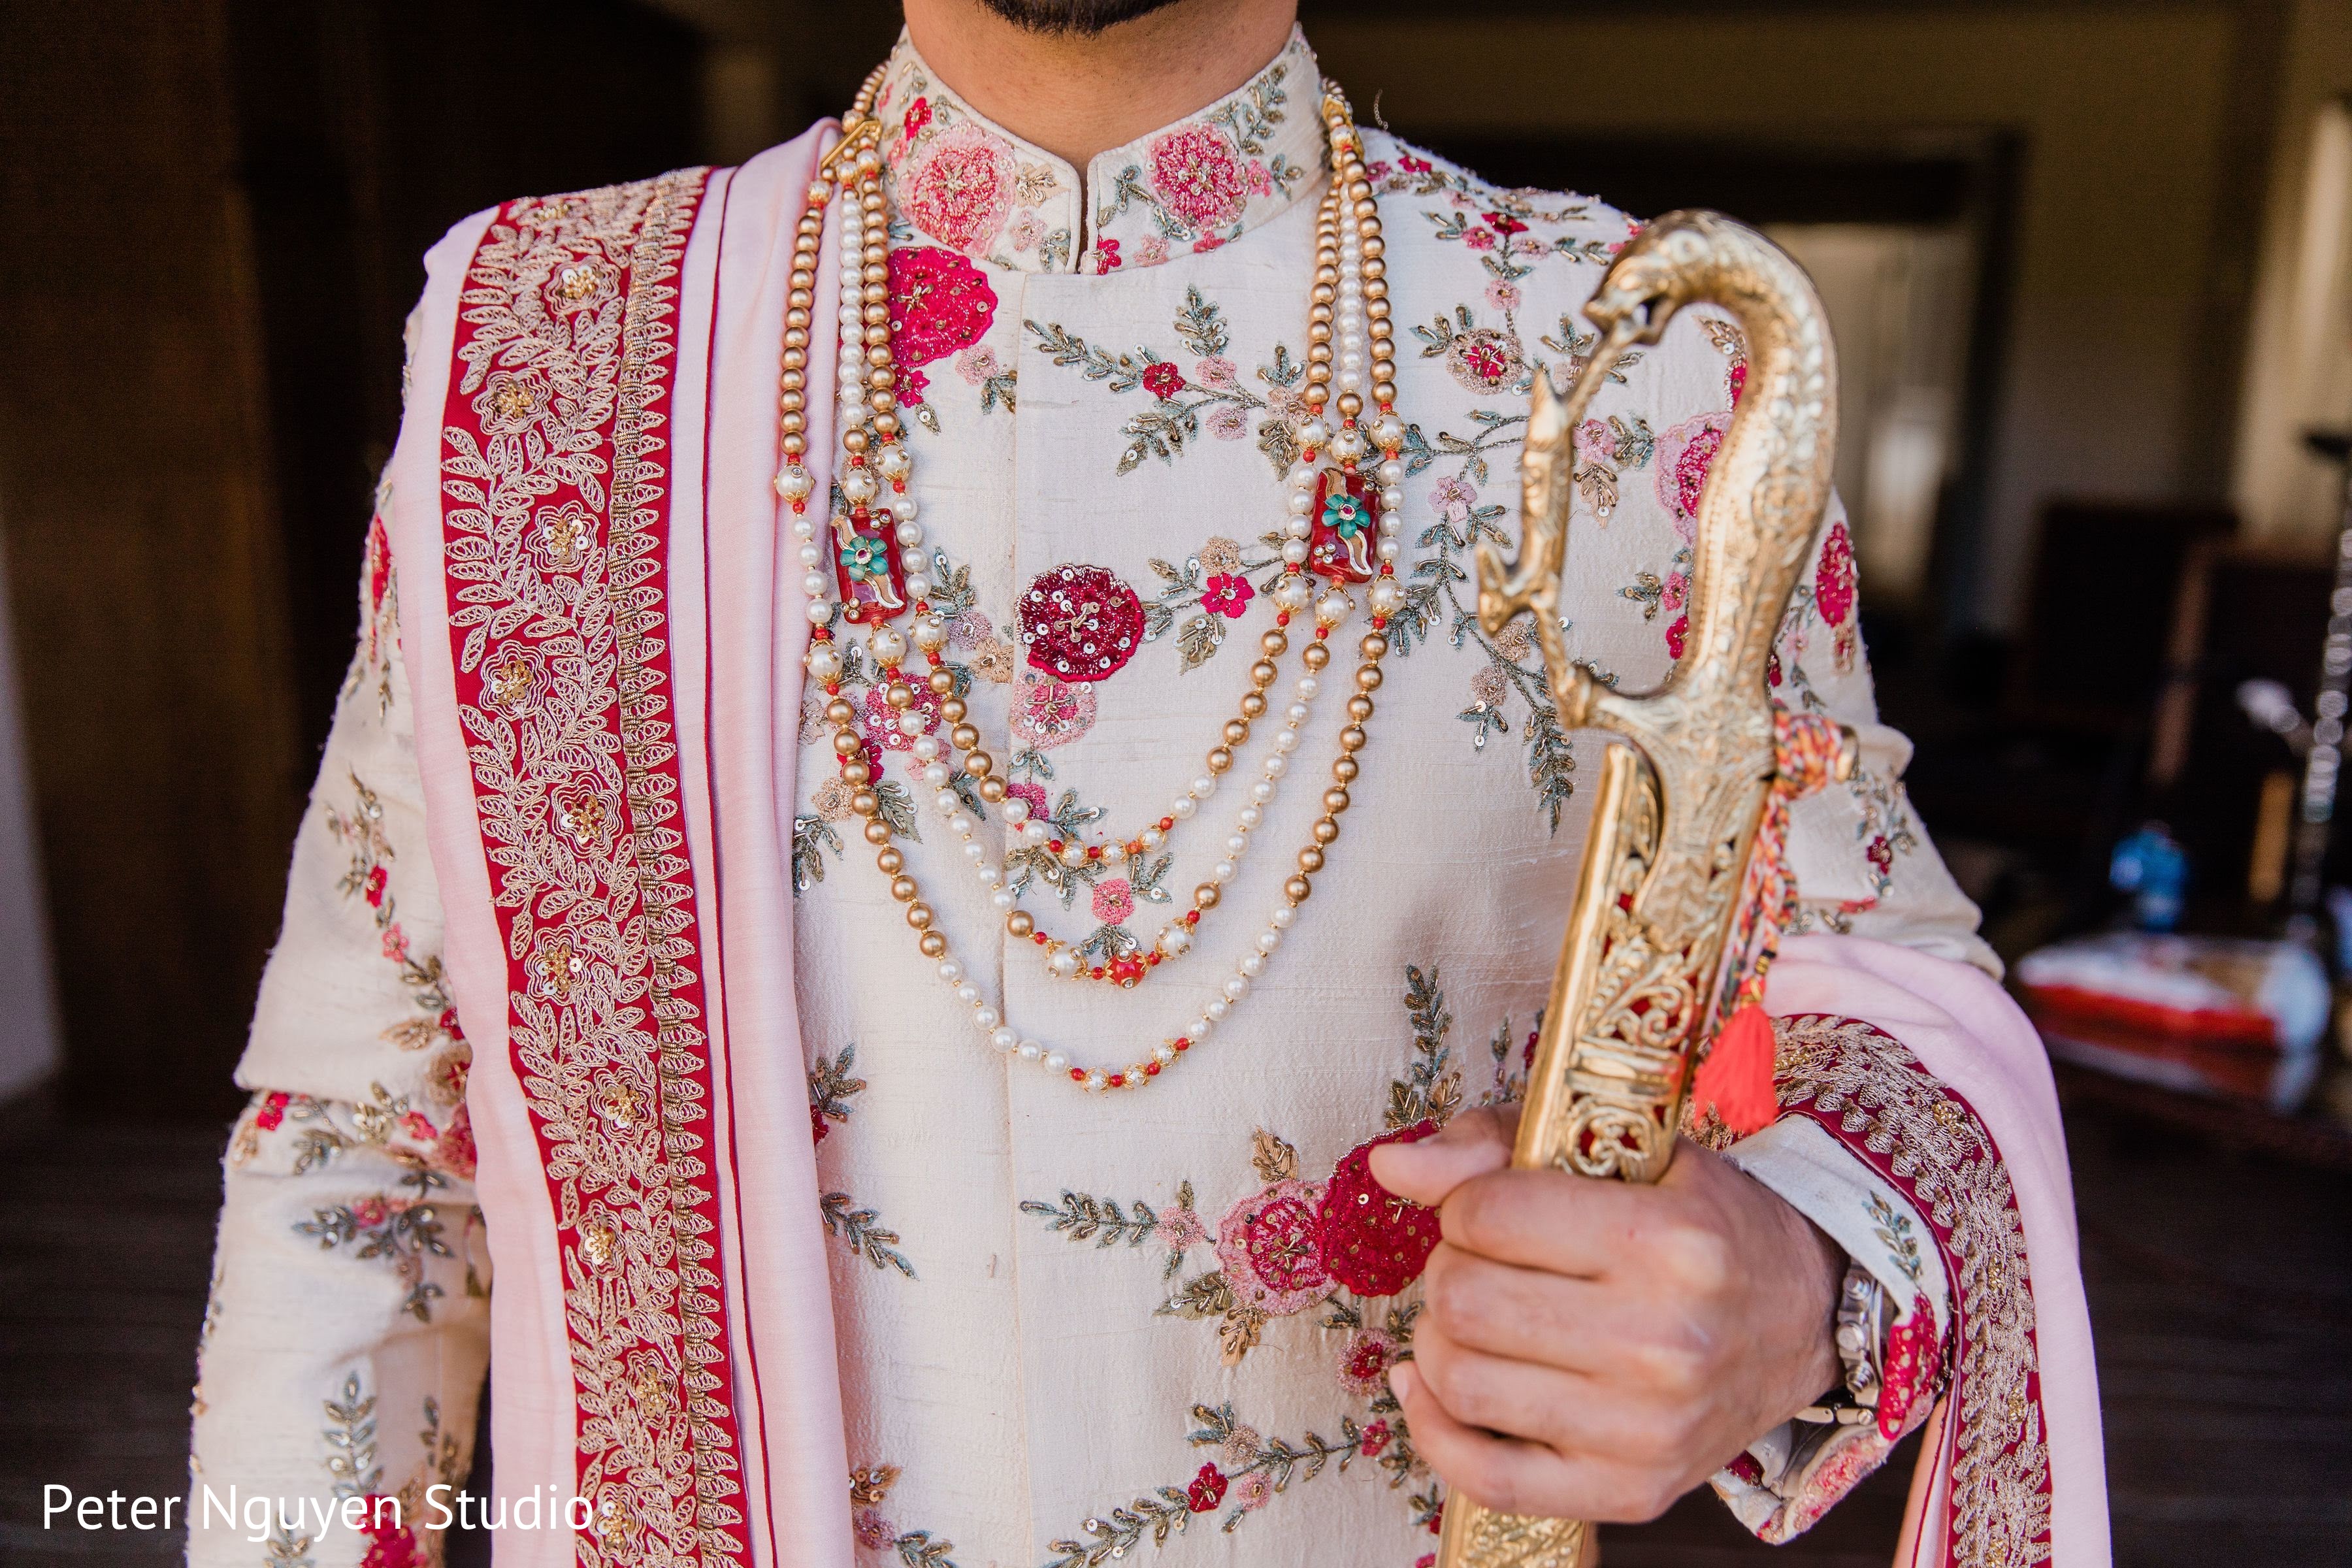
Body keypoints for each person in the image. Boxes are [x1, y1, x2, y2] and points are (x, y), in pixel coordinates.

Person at [188, 1, 2107, 1563]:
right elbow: (365, 1150)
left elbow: (1889, 989)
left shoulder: (1638, 363)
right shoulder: (553, 350)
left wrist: (1791, 1277)